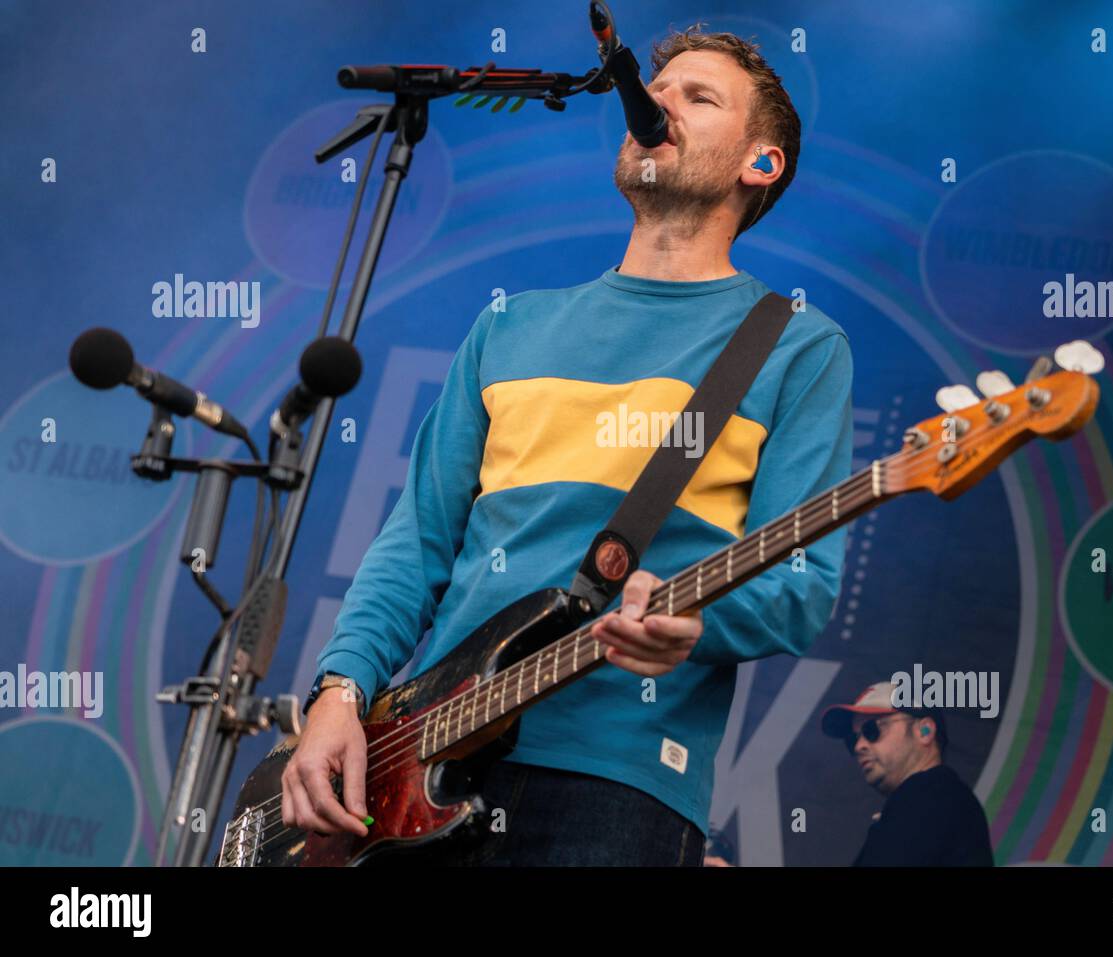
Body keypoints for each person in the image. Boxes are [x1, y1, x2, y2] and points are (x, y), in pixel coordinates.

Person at [279, 25, 856, 866]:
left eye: (699, 98)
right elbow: (416, 542)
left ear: (760, 163)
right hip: (415, 765)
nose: (659, 105)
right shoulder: (510, 324)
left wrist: (695, 620)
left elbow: (802, 587)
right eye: (658, 94)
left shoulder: (796, 346)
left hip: (617, 777)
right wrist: (339, 692)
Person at [821, 682, 994, 866]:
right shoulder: (932, 801)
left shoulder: (930, 795)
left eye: (872, 730)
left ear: (924, 731)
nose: (858, 746)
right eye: (852, 740)